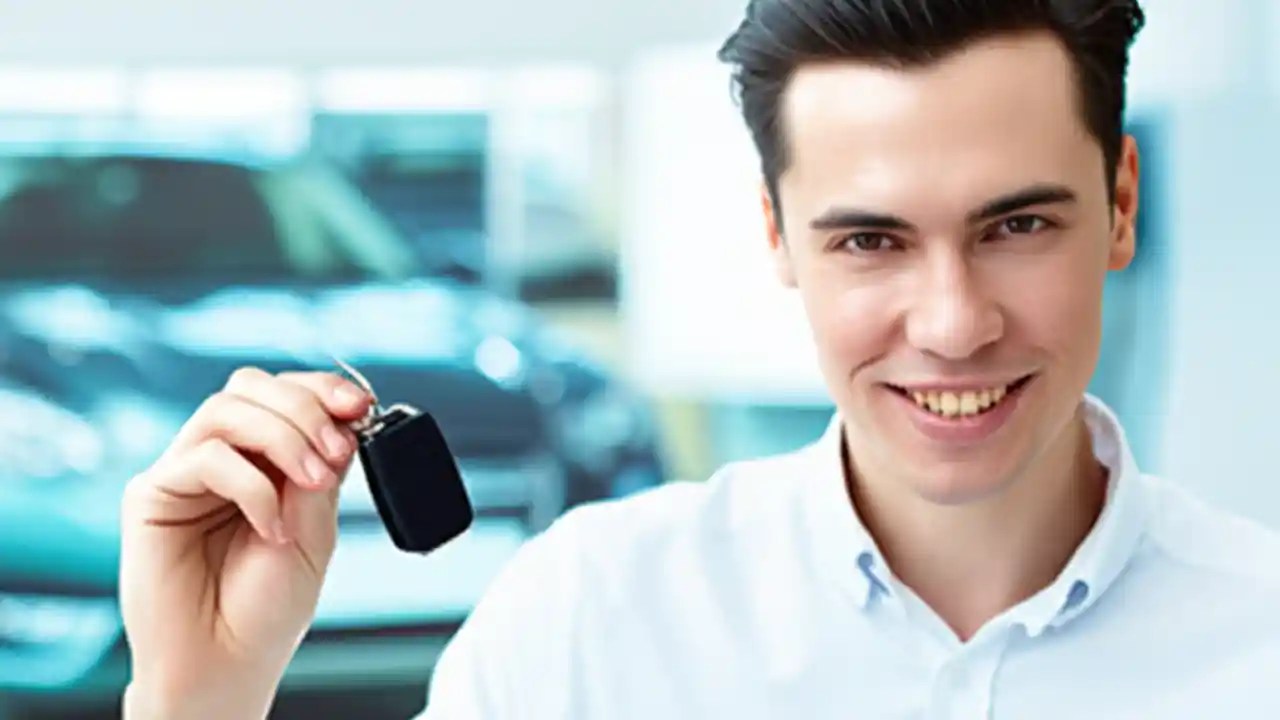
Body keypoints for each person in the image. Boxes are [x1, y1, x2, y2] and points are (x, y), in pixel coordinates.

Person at [119, 1, 1280, 718]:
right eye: (869, 240)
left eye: (1015, 225)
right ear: (777, 237)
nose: (951, 324)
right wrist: (196, 702)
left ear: (1119, 204)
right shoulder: (581, 622)